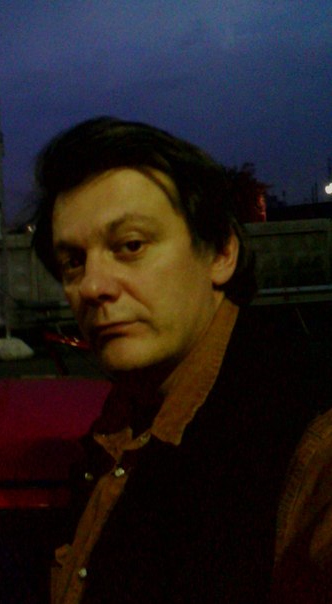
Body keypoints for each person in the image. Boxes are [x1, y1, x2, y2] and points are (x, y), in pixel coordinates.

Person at [32, 117, 332, 603]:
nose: (91, 285)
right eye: (73, 261)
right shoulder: (127, 418)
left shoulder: (306, 439)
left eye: (130, 246)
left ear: (221, 252)